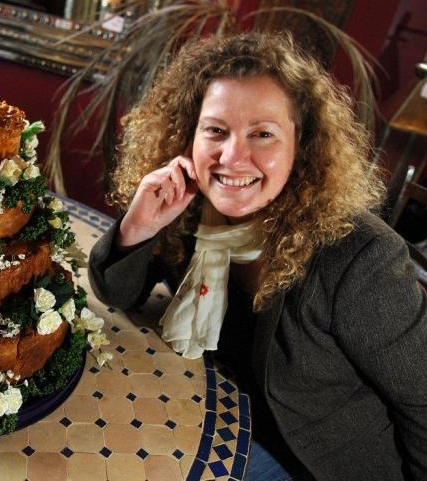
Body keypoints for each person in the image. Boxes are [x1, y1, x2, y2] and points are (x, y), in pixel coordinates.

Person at [88, 32, 427, 480]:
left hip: (305, 463)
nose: (233, 157)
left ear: (300, 144)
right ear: (190, 133)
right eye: (215, 130)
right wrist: (140, 226)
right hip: (209, 419)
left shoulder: (360, 256)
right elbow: (114, 291)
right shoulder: (189, 209)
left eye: (262, 134)